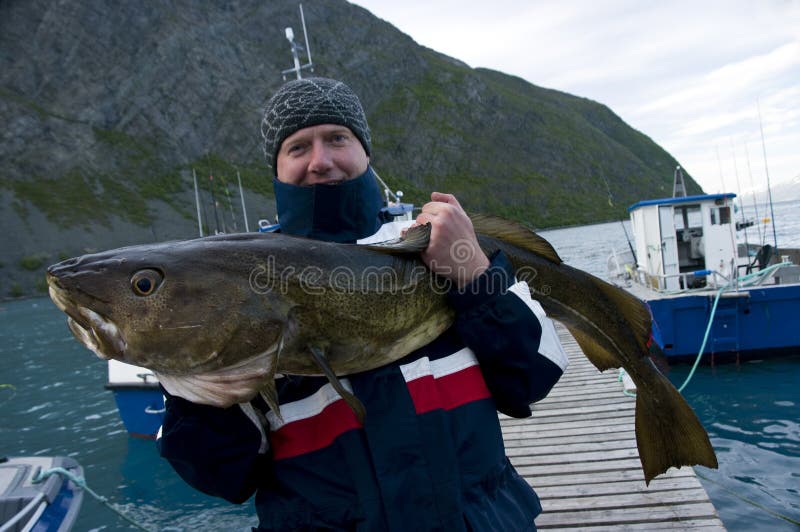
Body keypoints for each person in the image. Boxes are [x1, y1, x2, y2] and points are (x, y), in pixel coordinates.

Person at [157, 77, 569, 531]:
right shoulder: (243, 289)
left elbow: (535, 377)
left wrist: (471, 271)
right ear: (276, 168)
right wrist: (196, 391)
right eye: (298, 147)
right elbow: (223, 476)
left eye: (337, 138)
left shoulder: (447, 246)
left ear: (365, 152)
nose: (321, 160)